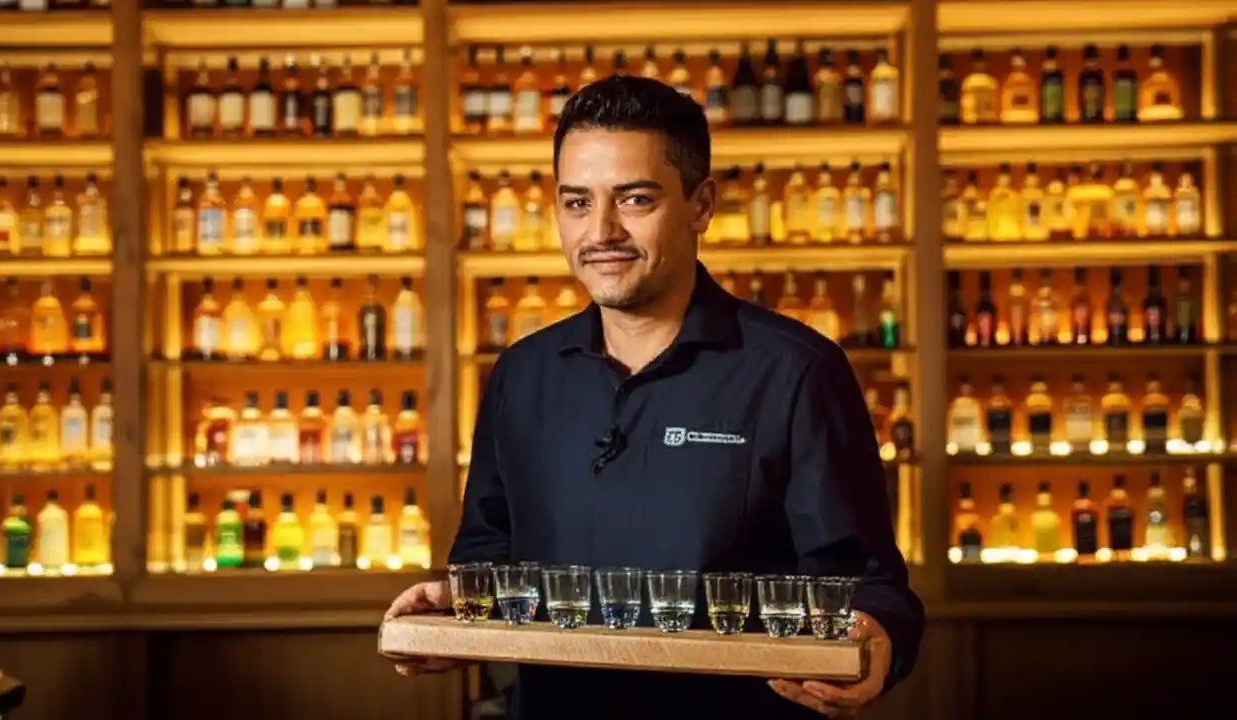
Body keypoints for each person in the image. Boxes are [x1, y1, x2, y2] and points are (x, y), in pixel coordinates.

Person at [385, 74, 924, 719]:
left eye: (634, 199)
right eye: (577, 203)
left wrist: (876, 638)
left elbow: (866, 581)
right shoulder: (522, 375)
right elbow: (487, 560)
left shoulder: (796, 370)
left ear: (701, 206)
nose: (601, 230)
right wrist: (449, 611)